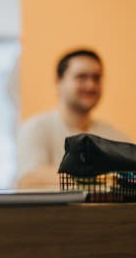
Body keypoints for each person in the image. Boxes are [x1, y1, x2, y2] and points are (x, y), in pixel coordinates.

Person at [16, 49, 129, 187]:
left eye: (96, 78)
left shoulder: (112, 135)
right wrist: (104, 176)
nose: (91, 85)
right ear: (59, 82)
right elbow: (29, 178)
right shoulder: (37, 128)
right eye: (81, 77)